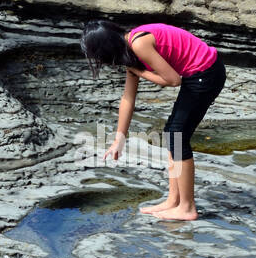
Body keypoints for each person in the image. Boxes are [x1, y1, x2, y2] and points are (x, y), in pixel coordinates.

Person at [81, 20, 226, 222]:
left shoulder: (139, 44)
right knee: (172, 134)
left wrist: (139, 71)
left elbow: (173, 80)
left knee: (178, 135)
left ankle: (187, 207)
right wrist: (118, 139)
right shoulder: (130, 50)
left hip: (206, 72)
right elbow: (127, 98)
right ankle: (173, 200)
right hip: (199, 74)